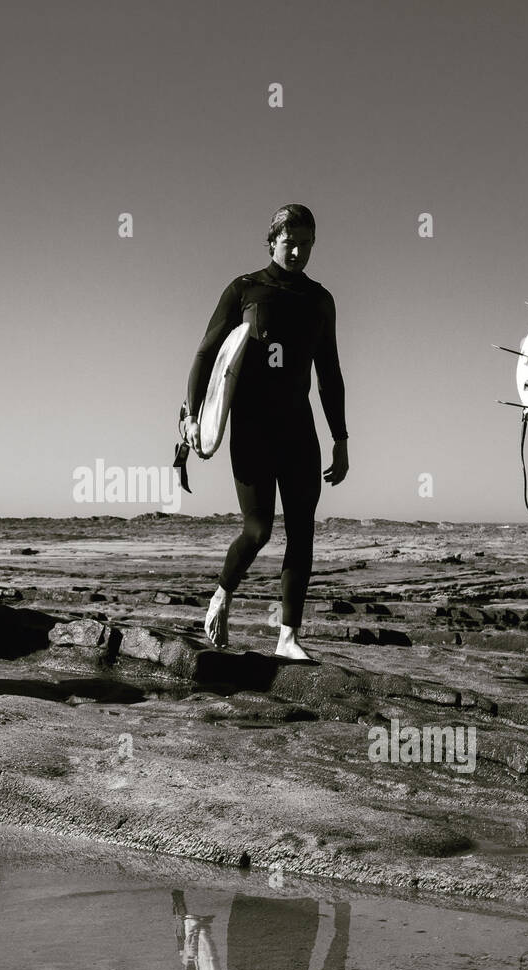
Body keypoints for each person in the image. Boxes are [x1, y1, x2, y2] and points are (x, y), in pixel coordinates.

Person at [183, 205, 349, 659]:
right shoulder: (245, 289)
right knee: (258, 531)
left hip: (299, 429)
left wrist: (341, 437)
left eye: (306, 243)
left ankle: (288, 637)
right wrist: (191, 415)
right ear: (271, 240)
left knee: (302, 533)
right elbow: (207, 355)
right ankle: (221, 596)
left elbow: (329, 372)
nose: (297, 251)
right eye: (289, 241)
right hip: (252, 428)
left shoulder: (320, 300)